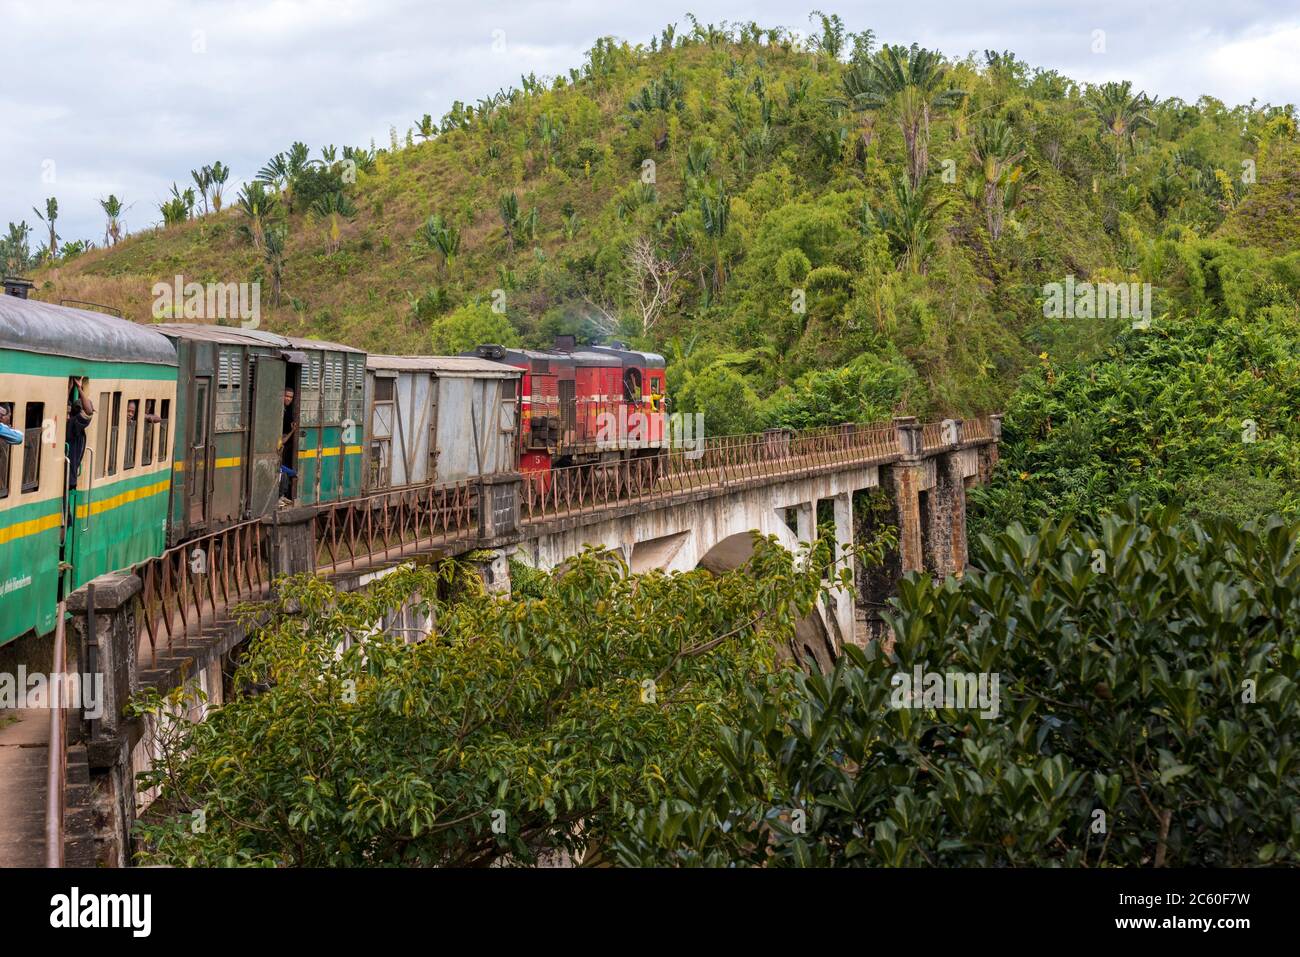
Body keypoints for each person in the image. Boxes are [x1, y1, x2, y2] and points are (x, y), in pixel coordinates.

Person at [66, 377, 94, 488]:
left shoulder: (73, 424)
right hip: (69, 478)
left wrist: (71, 389)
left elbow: (88, 411)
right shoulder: (75, 424)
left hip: (69, 476)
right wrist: (78, 388)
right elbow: (89, 411)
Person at [278, 387, 296, 504]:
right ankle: (280, 496)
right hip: (281, 446)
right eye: (287, 396)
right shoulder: (280, 411)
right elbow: (283, 440)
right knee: (285, 471)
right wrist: (293, 431)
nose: (288, 399)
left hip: (283, 449)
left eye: (290, 397)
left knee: (285, 471)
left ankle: (282, 495)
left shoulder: (287, 411)